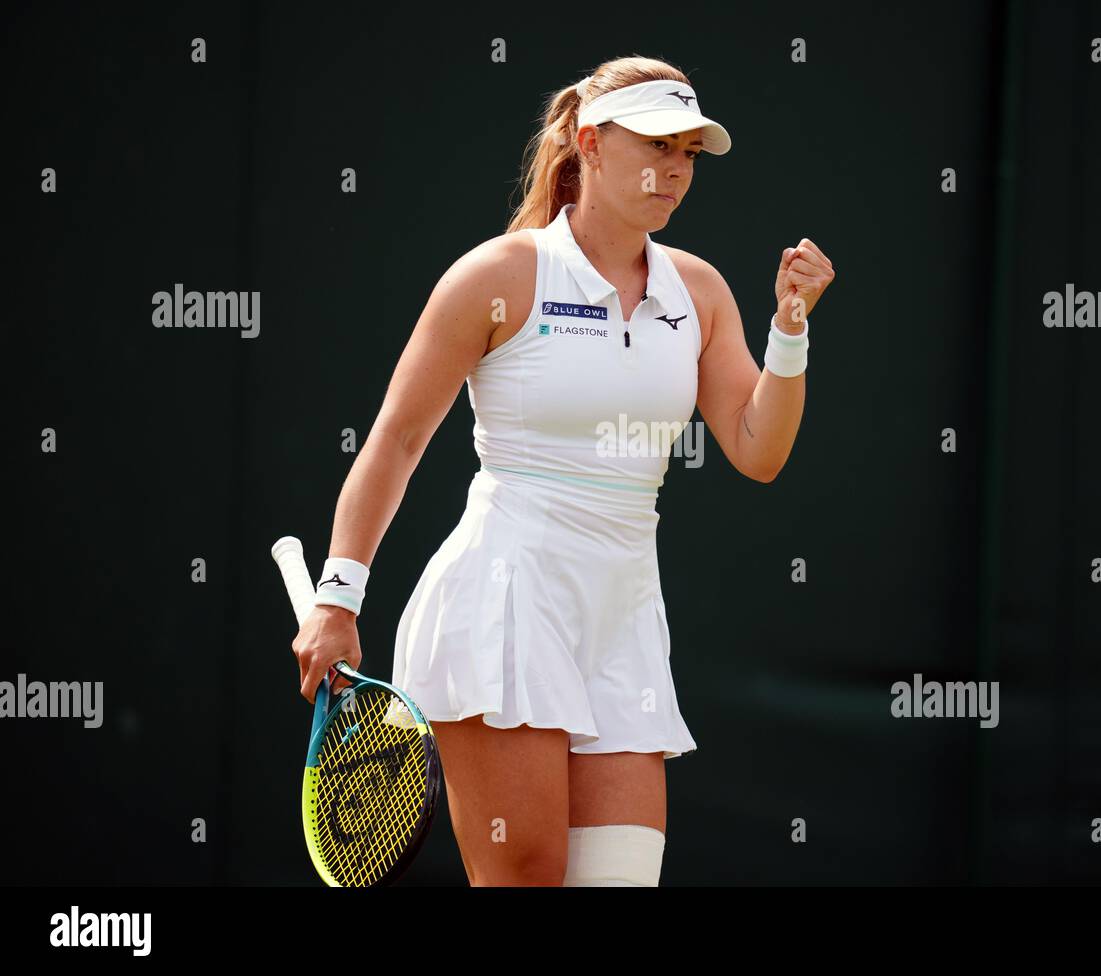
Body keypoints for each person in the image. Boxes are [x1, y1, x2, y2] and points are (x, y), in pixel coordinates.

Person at [291, 55, 834, 886]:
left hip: (623, 618)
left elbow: (759, 449)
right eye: (657, 144)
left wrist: (789, 331)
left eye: (689, 151)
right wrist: (338, 596)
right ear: (590, 142)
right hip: (505, 608)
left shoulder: (701, 291)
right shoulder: (498, 277)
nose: (675, 169)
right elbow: (396, 441)